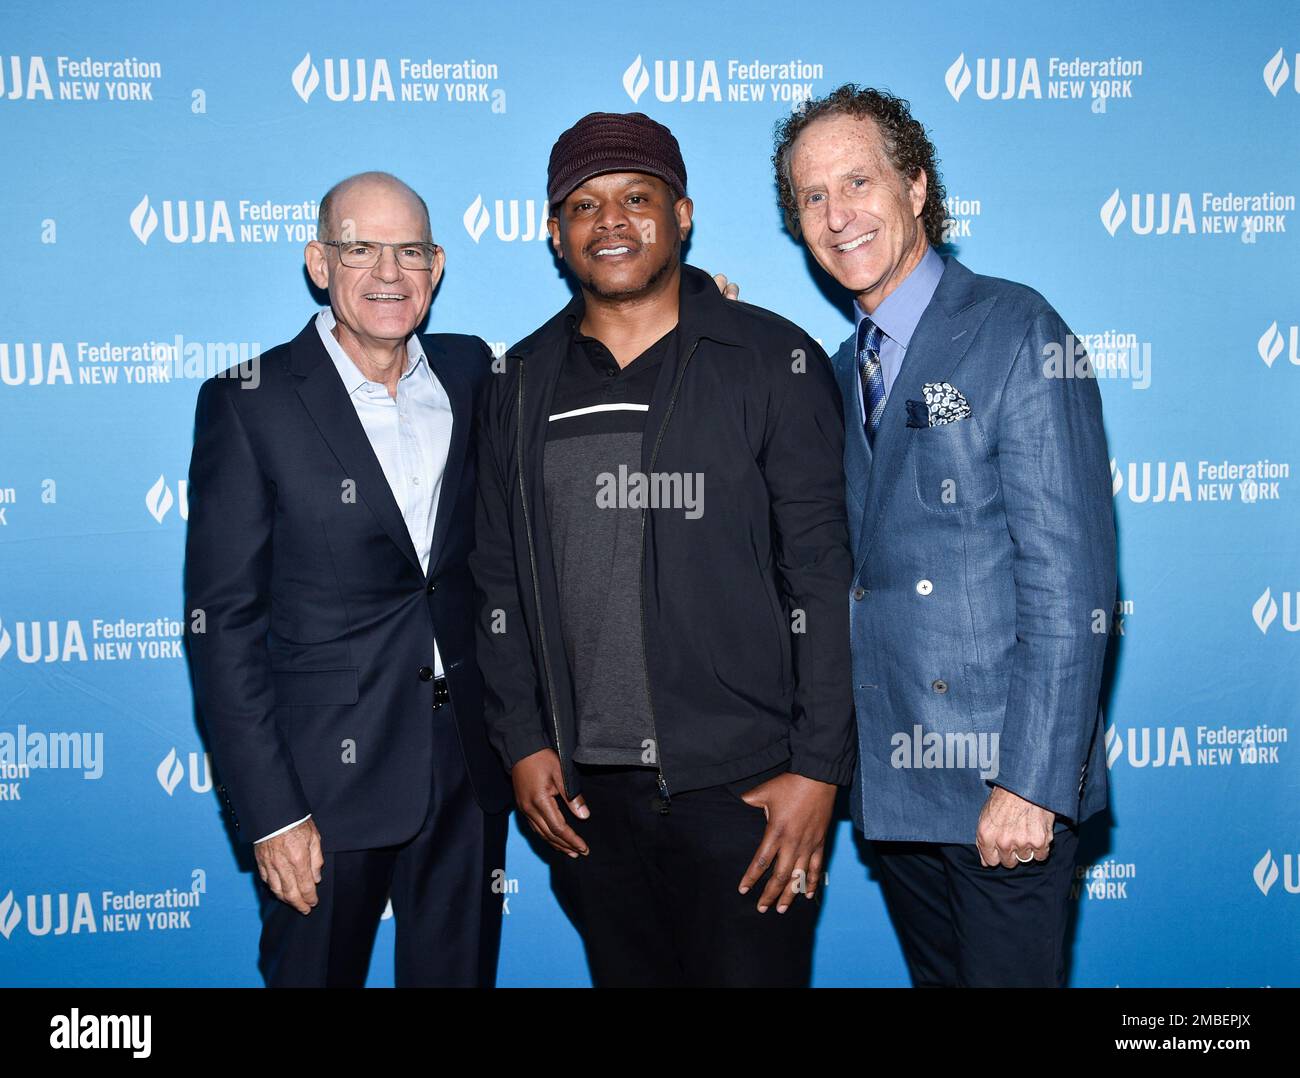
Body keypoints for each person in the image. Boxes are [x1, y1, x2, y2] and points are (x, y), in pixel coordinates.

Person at [471, 111, 856, 987]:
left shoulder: (770, 358)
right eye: (583, 205)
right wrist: (524, 741)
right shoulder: (519, 380)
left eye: (637, 198)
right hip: (587, 798)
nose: (611, 221)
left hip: (749, 790)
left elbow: (826, 577)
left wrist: (818, 771)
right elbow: (496, 575)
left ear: (681, 215)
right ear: (554, 232)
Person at [771, 86, 1116, 987]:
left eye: (859, 181)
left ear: (916, 187)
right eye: (812, 197)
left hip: (1004, 793)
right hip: (900, 793)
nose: (838, 215)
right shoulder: (845, 369)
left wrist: (1034, 783)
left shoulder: (1015, 329)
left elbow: (1070, 580)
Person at [184, 171, 511, 987]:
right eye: (360, 249)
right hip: (323, 782)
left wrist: (690, 297)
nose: (388, 275)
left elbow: (593, 342)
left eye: (408, 252)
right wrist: (272, 814)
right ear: (319, 263)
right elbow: (223, 626)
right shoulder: (249, 402)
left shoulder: (473, 373)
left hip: (463, 761)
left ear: (436, 266)